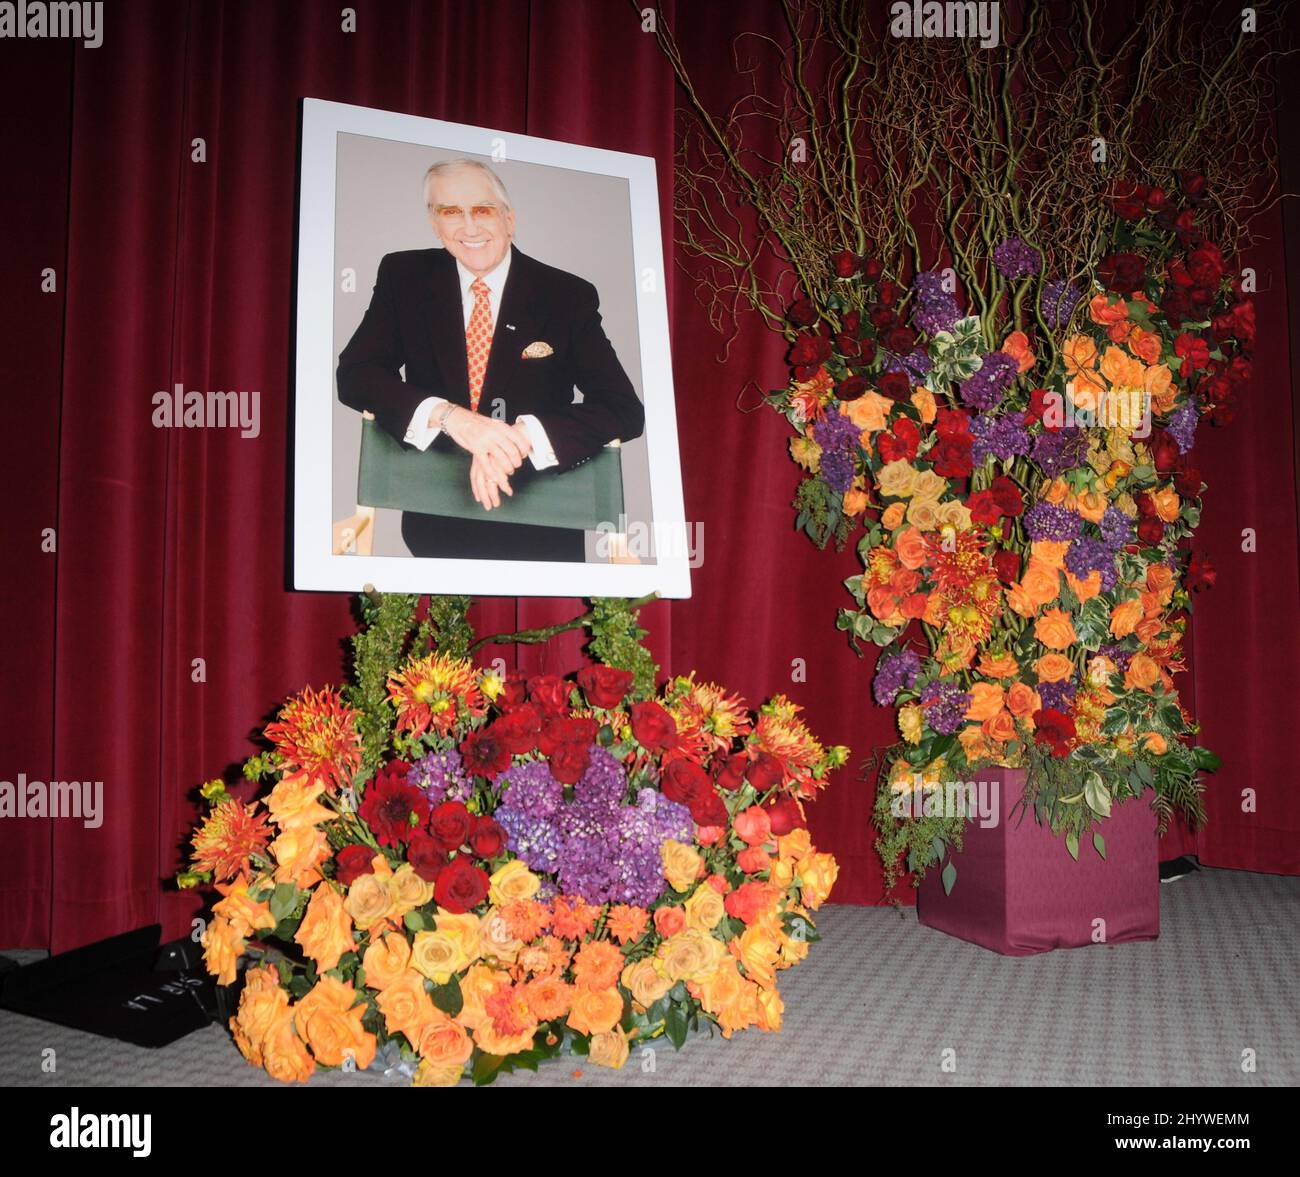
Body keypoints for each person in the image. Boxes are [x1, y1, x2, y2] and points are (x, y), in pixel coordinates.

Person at [337, 158, 645, 561]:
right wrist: (454, 419)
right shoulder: (404, 276)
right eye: (451, 212)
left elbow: (623, 410)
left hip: (544, 536)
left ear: (509, 219)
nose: (469, 227)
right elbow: (357, 374)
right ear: (435, 224)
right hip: (435, 530)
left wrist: (517, 438)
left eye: (482, 210)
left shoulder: (566, 296)